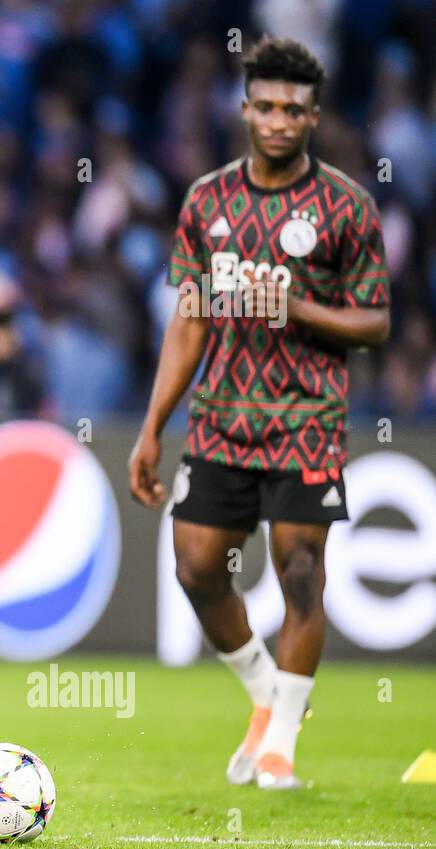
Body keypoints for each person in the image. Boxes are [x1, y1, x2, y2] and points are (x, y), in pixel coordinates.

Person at [128, 38, 390, 789]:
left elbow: (374, 323)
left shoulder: (346, 207)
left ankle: (281, 746)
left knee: (301, 573)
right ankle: (265, 695)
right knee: (196, 566)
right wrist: (153, 424)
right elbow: (189, 318)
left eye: (295, 110)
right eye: (267, 106)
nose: (280, 120)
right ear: (245, 109)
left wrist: (297, 305)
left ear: (314, 116)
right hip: (219, 419)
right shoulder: (206, 202)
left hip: (308, 418)